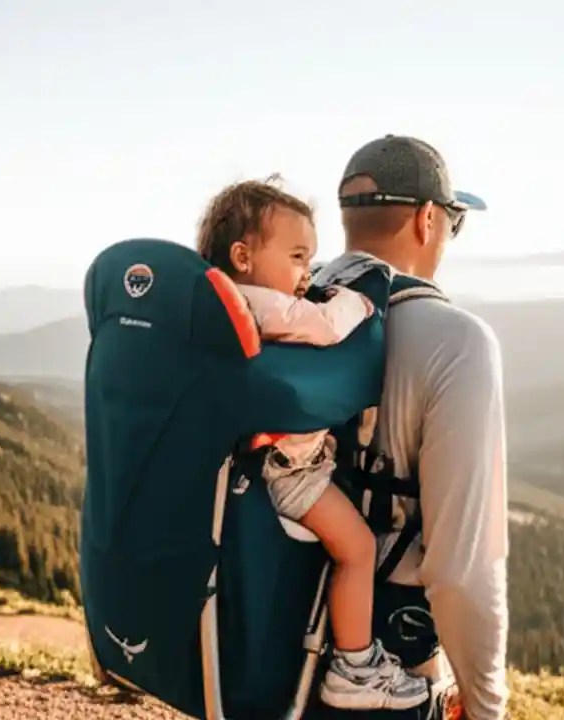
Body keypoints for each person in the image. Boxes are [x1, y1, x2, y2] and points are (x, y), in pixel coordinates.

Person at [195, 175, 433, 711]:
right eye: (300, 257)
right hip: (291, 474)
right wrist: (361, 300)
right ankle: (354, 666)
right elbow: (326, 326)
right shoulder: (267, 306)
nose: (308, 274)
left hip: (248, 470)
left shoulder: (212, 306)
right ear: (243, 256)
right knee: (358, 549)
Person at [308, 134, 511, 720]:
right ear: (428, 219)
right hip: (384, 668)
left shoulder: (294, 307)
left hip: (266, 631)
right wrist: (485, 705)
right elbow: (462, 569)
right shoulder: (458, 342)